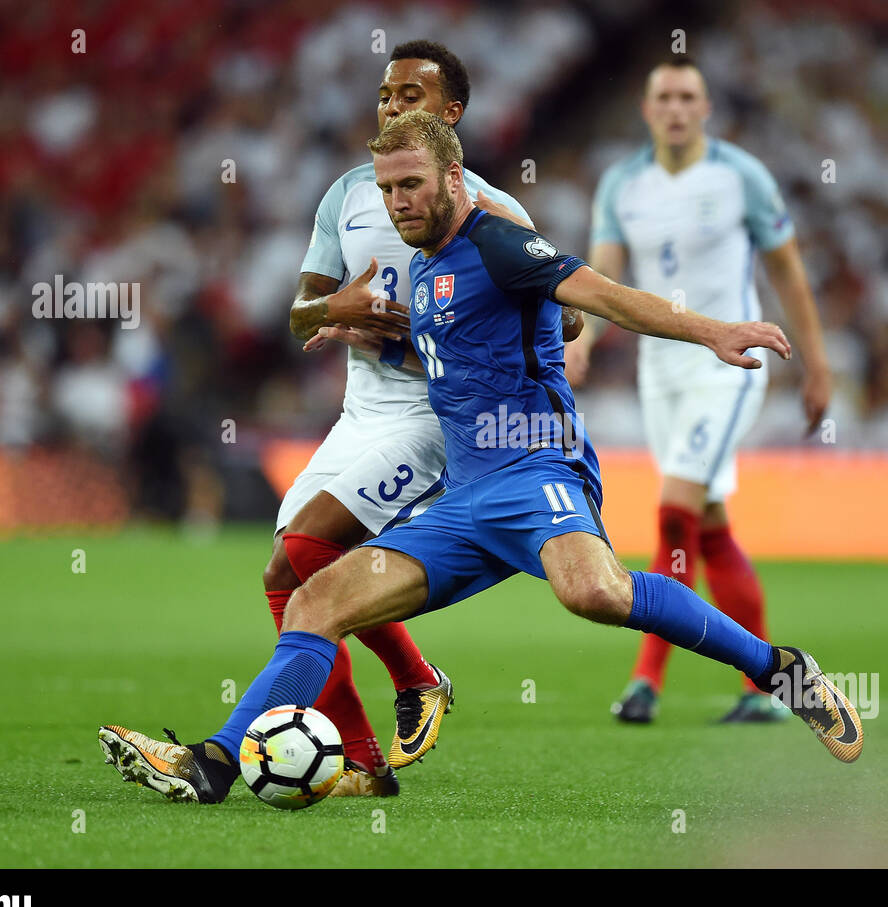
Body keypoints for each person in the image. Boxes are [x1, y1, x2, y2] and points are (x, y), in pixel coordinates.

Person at [102, 109, 860, 804]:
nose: (397, 201)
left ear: (453, 179)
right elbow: (458, 360)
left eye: (412, 185)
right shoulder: (426, 273)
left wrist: (711, 330)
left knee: (592, 593)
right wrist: (369, 334)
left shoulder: (497, 240)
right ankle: (212, 763)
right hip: (463, 501)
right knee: (314, 600)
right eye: (387, 188)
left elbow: (599, 293)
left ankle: (779, 670)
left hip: (537, 473)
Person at [98, 40, 575, 803]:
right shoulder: (349, 195)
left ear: (451, 115)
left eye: (412, 96)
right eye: (387, 94)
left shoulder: (493, 210)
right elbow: (299, 313)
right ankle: (368, 761)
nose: (392, 106)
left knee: (313, 541)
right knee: (284, 573)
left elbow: (564, 323)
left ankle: (236, 750)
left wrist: (434, 327)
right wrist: (338, 310)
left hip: (435, 415)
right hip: (361, 410)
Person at [566, 55, 833, 725]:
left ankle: (644, 681)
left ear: (706, 108)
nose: (677, 107)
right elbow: (606, 276)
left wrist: (818, 364)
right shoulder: (621, 185)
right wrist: (586, 340)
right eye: (666, 96)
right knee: (707, 527)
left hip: (729, 366)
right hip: (662, 373)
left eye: (689, 96)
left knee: (674, 512)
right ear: (647, 108)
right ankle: (769, 687)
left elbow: (788, 271)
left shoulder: (741, 176)